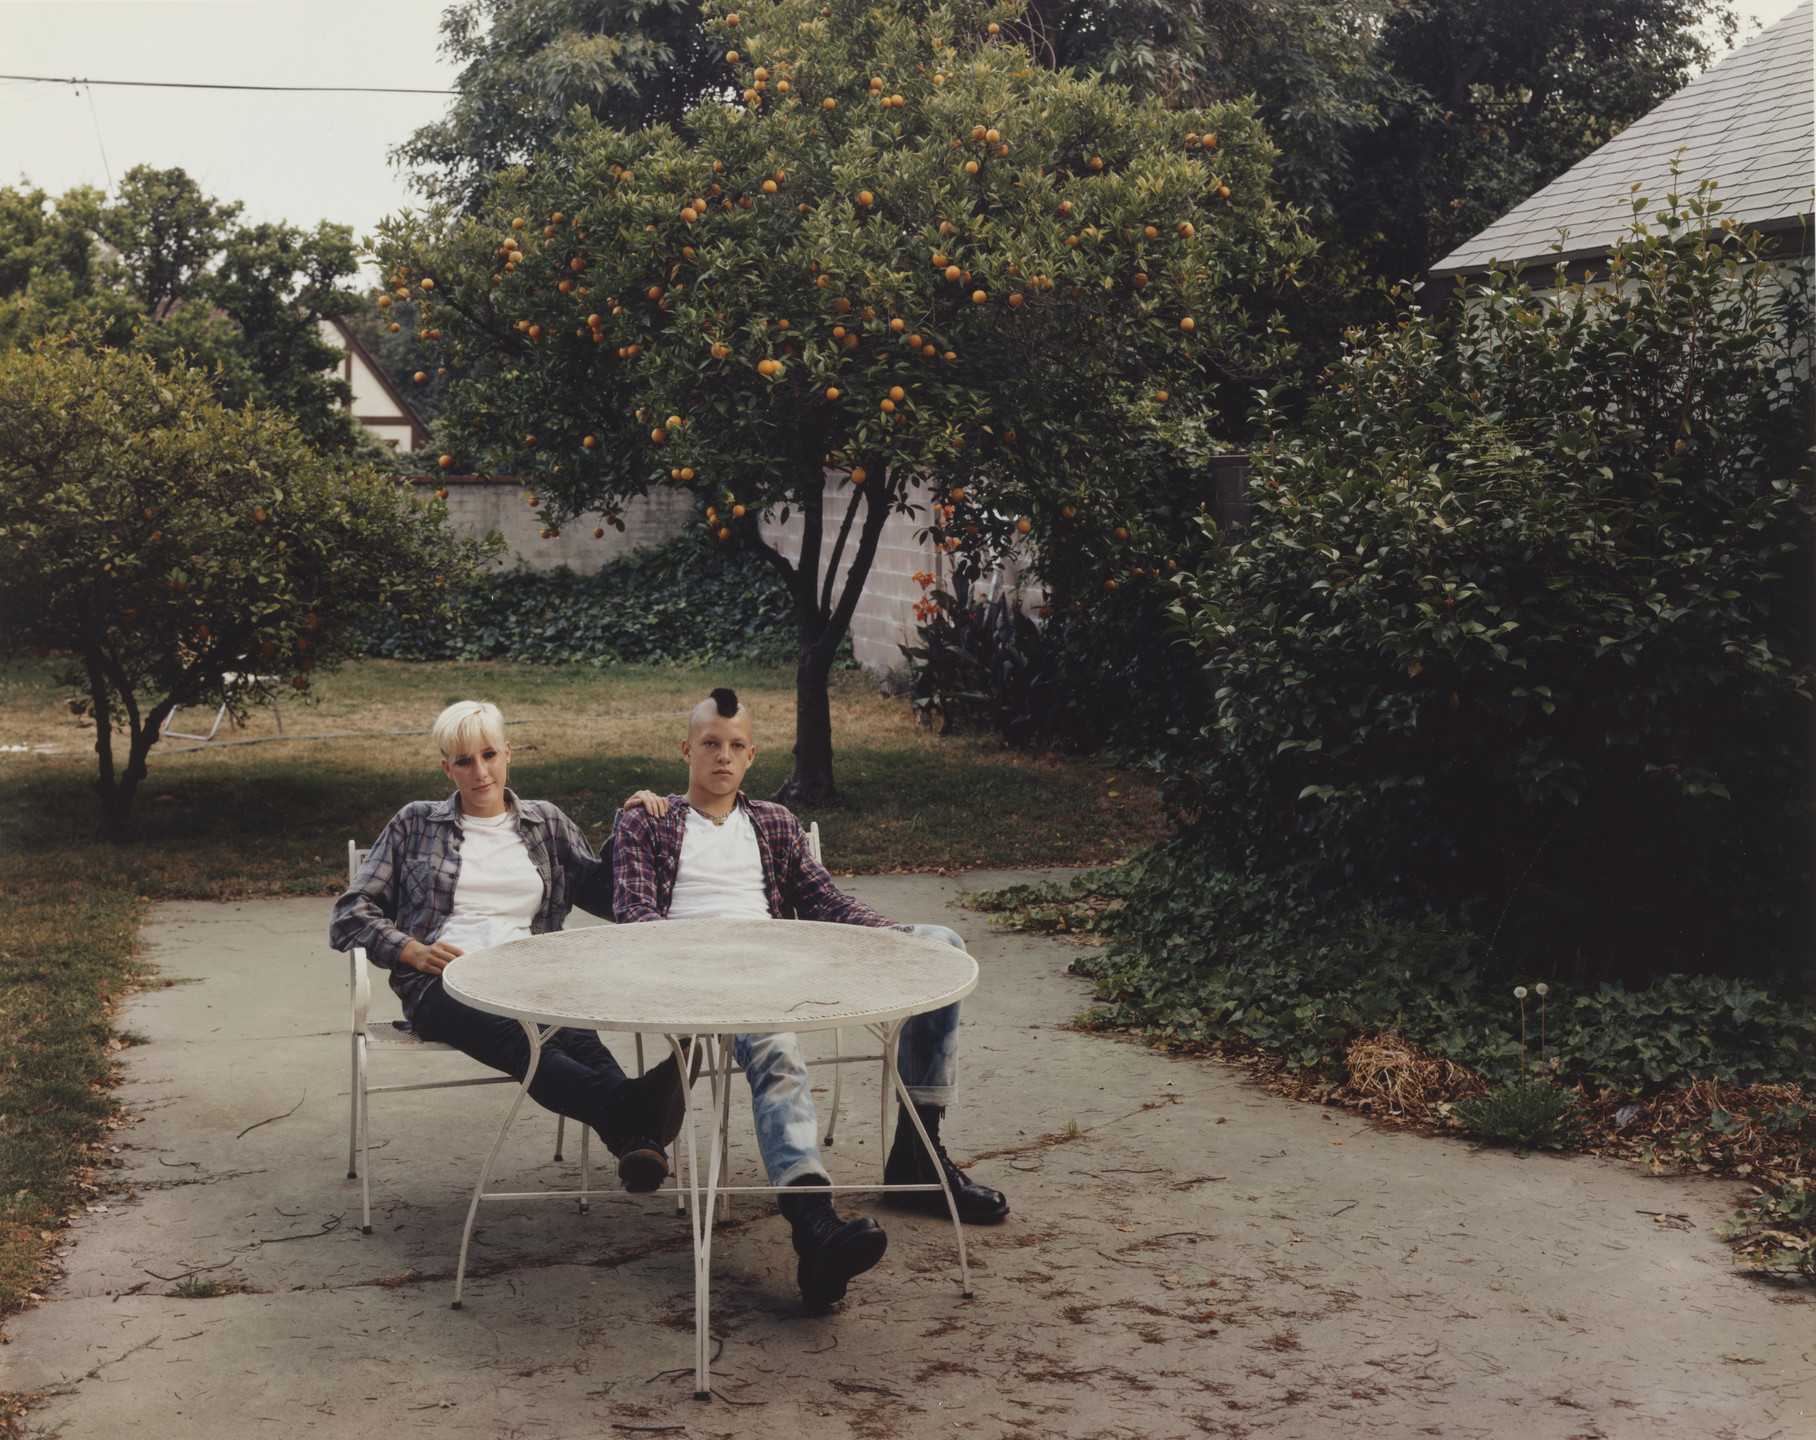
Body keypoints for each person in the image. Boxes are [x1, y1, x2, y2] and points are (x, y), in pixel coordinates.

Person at [613, 686, 1009, 1309]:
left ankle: (918, 1156)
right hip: (703, 976)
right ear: (686, 749)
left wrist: (894, 940)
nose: (722, 756)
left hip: (782, 963)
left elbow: (826, 902)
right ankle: (813, 1223)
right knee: (774, 1042)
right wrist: (712, 955)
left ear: (751, 757)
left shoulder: (773, 821)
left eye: (736, 746)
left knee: (944, 944)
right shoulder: (649, 818)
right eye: (710, 744)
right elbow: (635, 916)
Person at [329, 700, 690, 1193]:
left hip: (535, 980)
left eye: (489, 755)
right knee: (523, 1044)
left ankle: (637, 1143)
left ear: (508, 754)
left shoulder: (546, 823)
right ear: (446, 767)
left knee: (581, 1043)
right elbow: (350, 913)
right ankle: (635, 1106)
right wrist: (410, 950)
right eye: (463, 761)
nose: (480, 772)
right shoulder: (415, 824)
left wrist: (629, 829)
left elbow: (610, 896)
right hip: (444, 986)